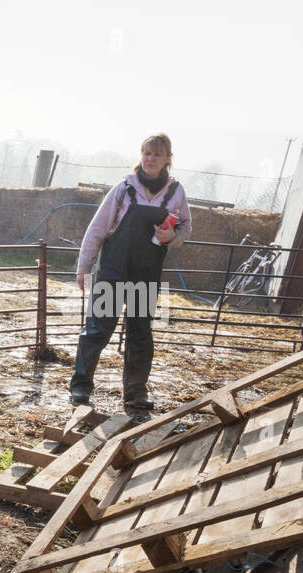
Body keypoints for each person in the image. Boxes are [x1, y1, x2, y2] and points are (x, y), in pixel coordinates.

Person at [69, 133, 192, 419]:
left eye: (157, 155)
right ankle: (81, 387)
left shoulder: (176, 193)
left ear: (167, 160)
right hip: (113, 270)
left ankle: (136, 393)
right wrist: (84, 268)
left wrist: (172, 235)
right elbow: (97, 229)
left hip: (146, 275)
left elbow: (186, 227)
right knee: (98, 329)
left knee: (140, 333)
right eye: (146, 153)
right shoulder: (124, 189)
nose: (150, 159)